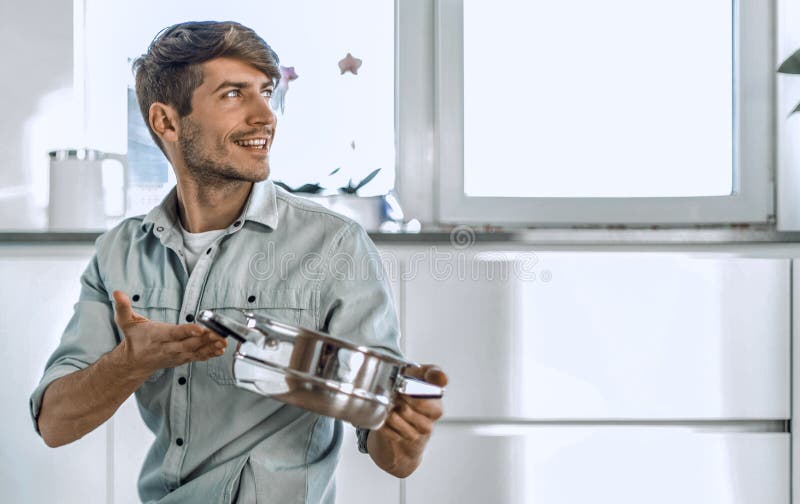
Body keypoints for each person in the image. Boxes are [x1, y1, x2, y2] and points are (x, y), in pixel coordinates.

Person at [30, 20, 448, 503]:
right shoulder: (120, 253)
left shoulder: (335, 246)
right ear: (166, 122)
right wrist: (130, 362)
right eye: (233, 94)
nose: (265, 115)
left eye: (267, 92)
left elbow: (392, 456)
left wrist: (407, 430)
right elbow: (54, 424)